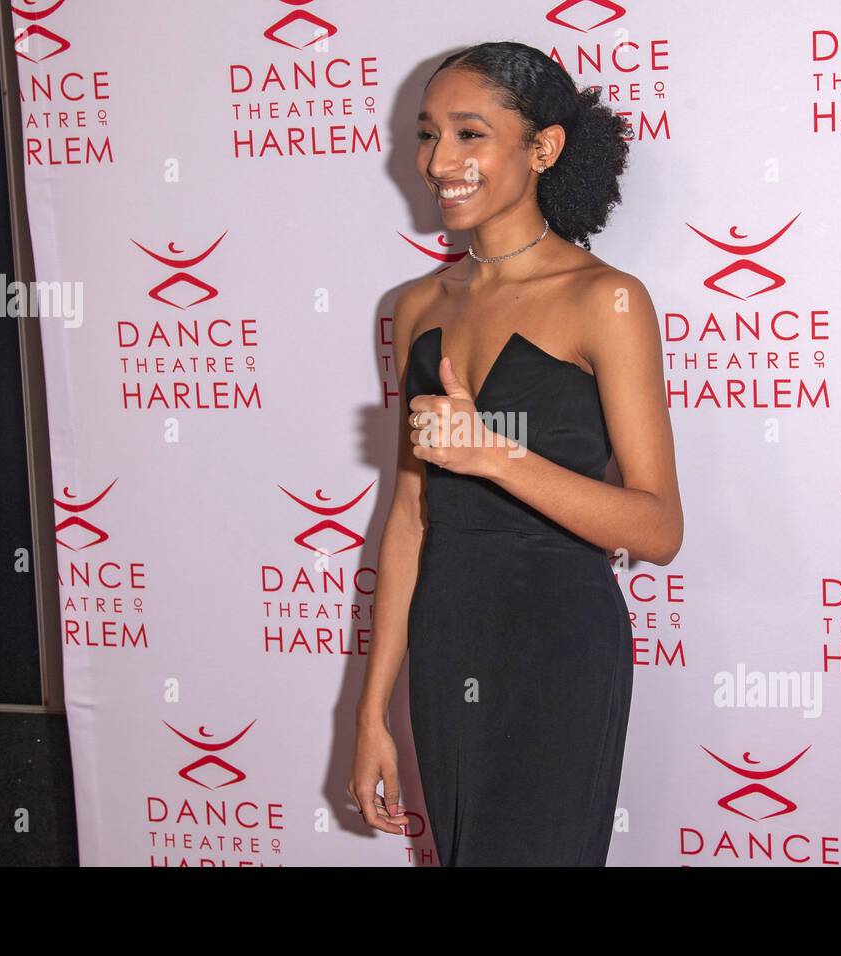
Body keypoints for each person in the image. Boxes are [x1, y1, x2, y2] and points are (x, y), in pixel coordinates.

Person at [348, 40, 682, 866]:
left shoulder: (605, 300)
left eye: (470, 134)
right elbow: (410, 519)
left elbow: (657, 527)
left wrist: (497, 456)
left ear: (543, 148)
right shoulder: (415, 306)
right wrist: (370, 711)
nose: (438, 161)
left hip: (558, 642)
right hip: (450, 636)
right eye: (428, 135)